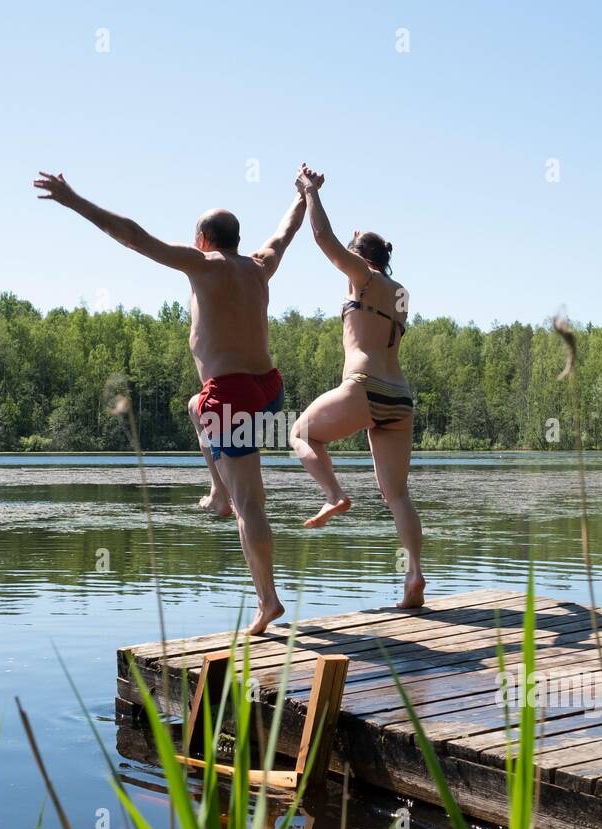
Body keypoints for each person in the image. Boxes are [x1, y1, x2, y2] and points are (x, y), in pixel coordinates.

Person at [34, 171, 305, 633]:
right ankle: (219, 491)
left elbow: (134, 237)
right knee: (193, 406)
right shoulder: (260, 265)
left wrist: (72, 199)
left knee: (251, 506)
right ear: (236, 238)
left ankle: (268, 602)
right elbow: (286, 231)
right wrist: (303, 196)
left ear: (202, 239)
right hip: (267, 388)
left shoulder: (205, 265)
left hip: (234, 394)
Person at [288, 164, 425, 609]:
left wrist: (311, 193)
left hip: (364, 385)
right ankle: (415, 578)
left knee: (300, 433)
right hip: (399, 397)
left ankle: (336, 495)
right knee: (397, 494)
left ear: (361, 260)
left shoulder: (364, 278)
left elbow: (323, 241)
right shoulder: (402, 291)